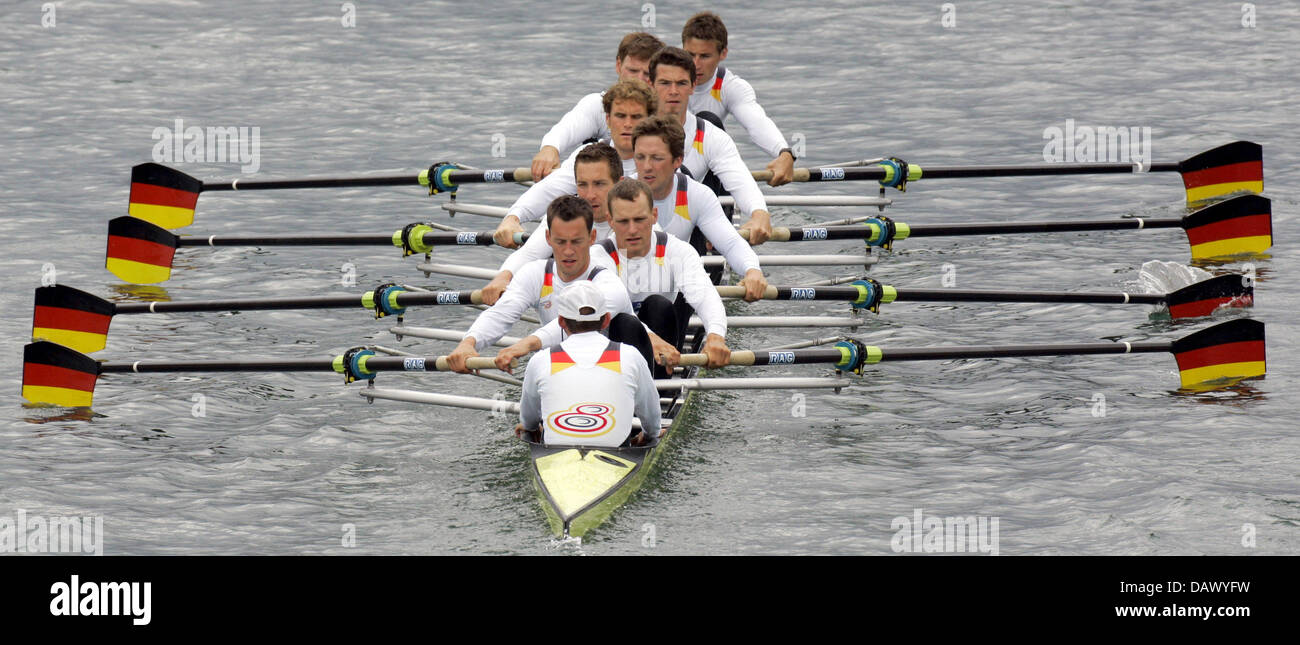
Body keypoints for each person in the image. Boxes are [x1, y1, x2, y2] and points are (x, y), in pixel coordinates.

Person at [448, 195, 672, 376]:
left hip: (614, 376)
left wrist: (526, 344)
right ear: (547, 238)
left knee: (628, 323)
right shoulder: (535, 273)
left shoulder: (607, 279)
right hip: (565, 374)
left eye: (576, 241)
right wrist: (470, 342)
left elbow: (572, 320)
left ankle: (643, 418)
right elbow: (500, 313)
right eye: (560, 241)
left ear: (592, 237)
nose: (567, 251)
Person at [630, 114, 768, 303]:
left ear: (678, 160)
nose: (646, 167)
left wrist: (752, 270)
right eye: (640, 157)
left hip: (673, 294)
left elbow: (730, 243)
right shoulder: (618, 194)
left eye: (656, 158)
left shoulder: (697, 195)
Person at [600, 178, 731, 374]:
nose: (632, 229)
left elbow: (704, 294)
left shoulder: (678, 250)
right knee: (623, 320)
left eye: (639, 219)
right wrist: (648, 336)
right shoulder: (598, 257)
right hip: (613, 358)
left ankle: (659, 384)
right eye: (623, 221)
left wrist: (715, 335)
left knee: (658, 305)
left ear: (654, 215)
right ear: (610, 220)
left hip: (661, 353)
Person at [646, 46, 774, 245]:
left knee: (685, 180)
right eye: (664, 83)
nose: (673, 92)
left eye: (681, 83)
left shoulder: (711, 136)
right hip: (640, 232)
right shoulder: (630, 134)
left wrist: (759, 212)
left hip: (693, 237)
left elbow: (739, 178)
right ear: (650, 84)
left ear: (693, 85)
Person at [516, 281, 661, 447]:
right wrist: (650, 436)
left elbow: (528, 419)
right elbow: (651, 414)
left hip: (554, 454)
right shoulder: (630, 355)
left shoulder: (540, 360)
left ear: (561, 322)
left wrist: (531, 428)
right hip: (617, 454)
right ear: (607, 319)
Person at [681, 11, 796, 187]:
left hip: (705, 175)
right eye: (690, 54)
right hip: (666, 165)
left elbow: (756, 122)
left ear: (723, 53)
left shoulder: (730, 87)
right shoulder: (663, 80)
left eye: (704, 56)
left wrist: (784, 153)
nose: (695, 64)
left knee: (708, 122)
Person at [530, 32, 664, 181]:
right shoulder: (597, 105)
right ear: (618, 66)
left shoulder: (671, 114)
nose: (639, 79)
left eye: (647, 73)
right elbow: (569, 127)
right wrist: (550, 148)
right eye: (632, 71)